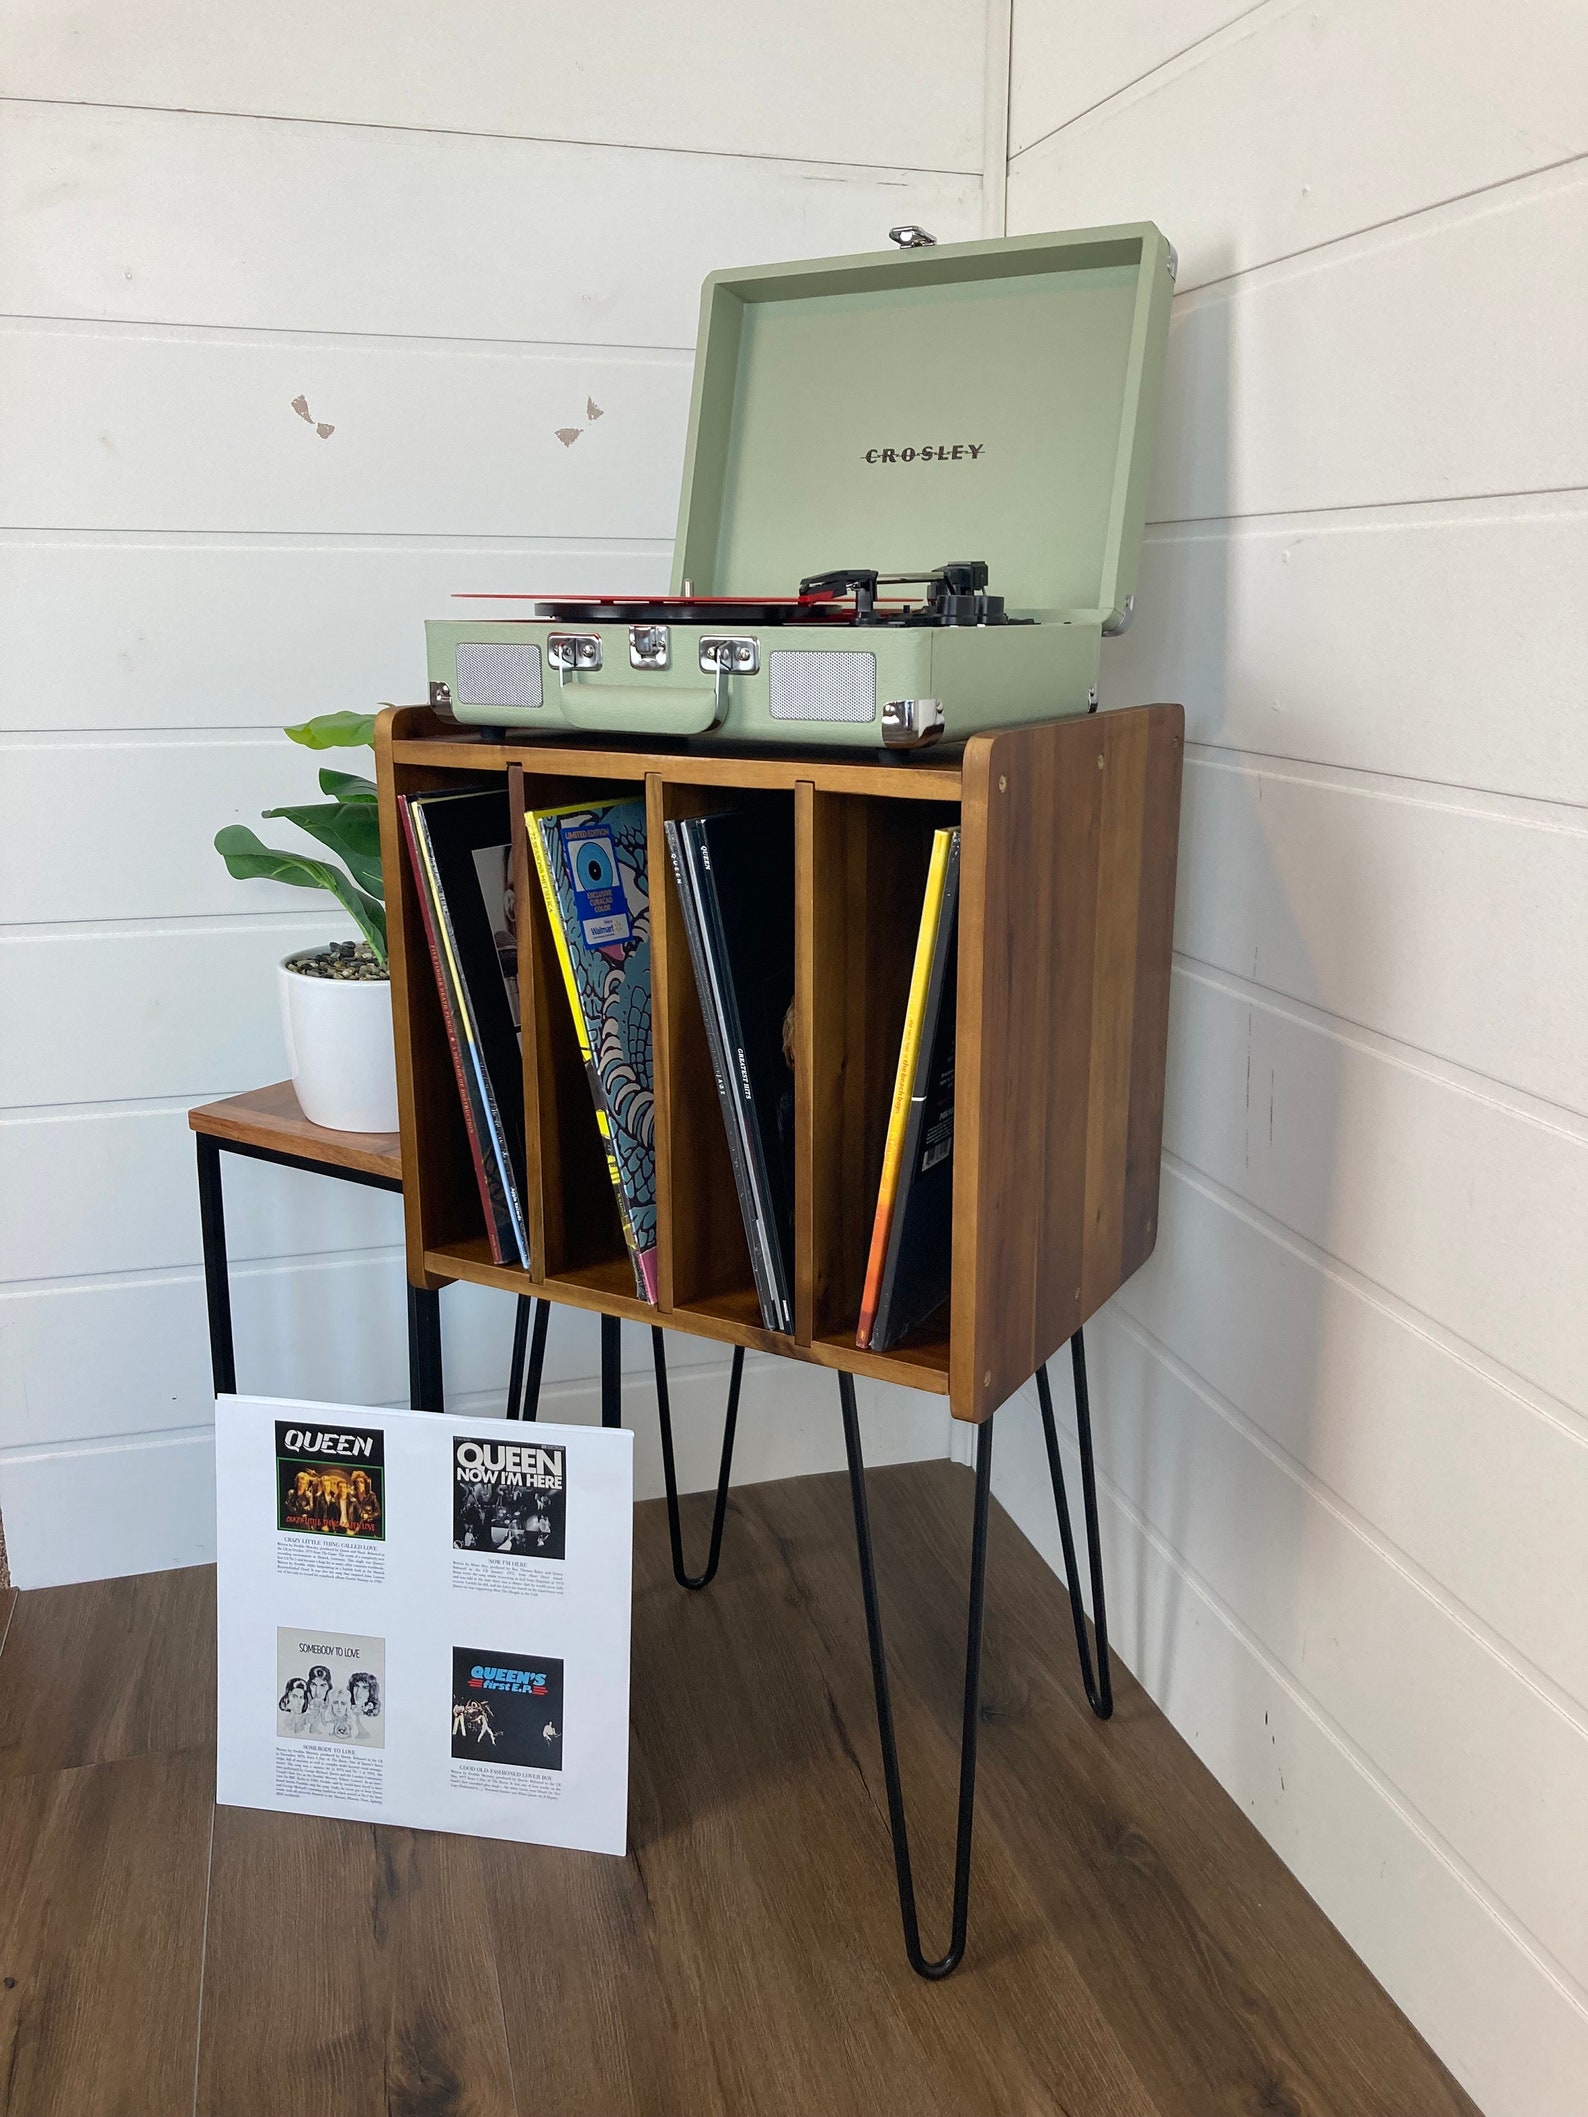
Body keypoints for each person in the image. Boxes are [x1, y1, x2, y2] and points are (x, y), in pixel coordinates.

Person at [348, 1668, 381, 1739]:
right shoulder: (348, 1708)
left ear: (371, 1691)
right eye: (356, 1686)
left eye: (365, 1688)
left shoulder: (369, 1718)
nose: (358, 1692)